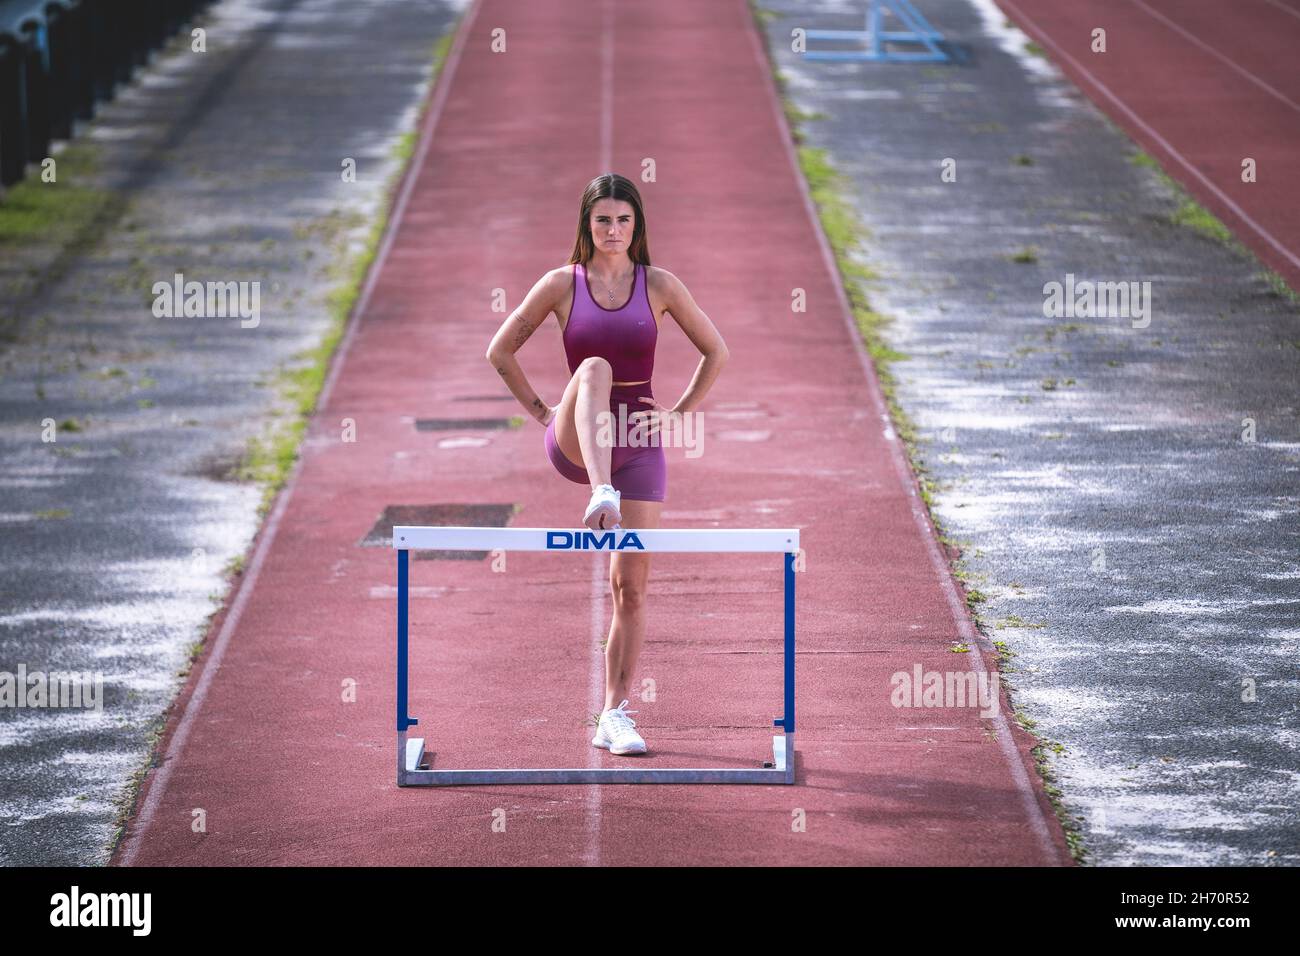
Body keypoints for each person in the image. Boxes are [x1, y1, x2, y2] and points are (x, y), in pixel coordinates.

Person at [485, 172, 729, 755]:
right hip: (578, 441)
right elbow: (500, 350)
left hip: (639, 444)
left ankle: (613, 715)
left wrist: (677, 414)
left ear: (637, 224)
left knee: (632, 589)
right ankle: (600, 493)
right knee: (593, 368)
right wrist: (545, 411)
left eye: (623, 220)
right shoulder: (561, 284)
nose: (613, 230)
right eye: (602, 221)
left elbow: (716, 351)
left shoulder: (661, 285)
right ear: (587, 226)